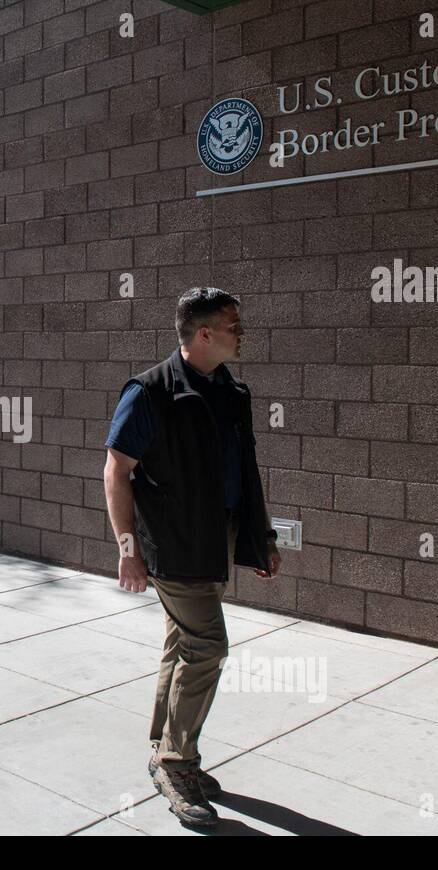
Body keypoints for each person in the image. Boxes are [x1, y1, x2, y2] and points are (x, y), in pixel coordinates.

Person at [103, 286, 281, 829]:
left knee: (183, 643)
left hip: (217, 536)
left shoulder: (231, 391)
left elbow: (243, 472)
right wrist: (127, 547)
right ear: (204, 334)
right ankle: (178, 762)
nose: (241, 332)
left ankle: (164, 748)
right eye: (233, 325)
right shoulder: (150, 392)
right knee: (208, 646)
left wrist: (260, 536)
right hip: (174, 543)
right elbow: (116, 471)